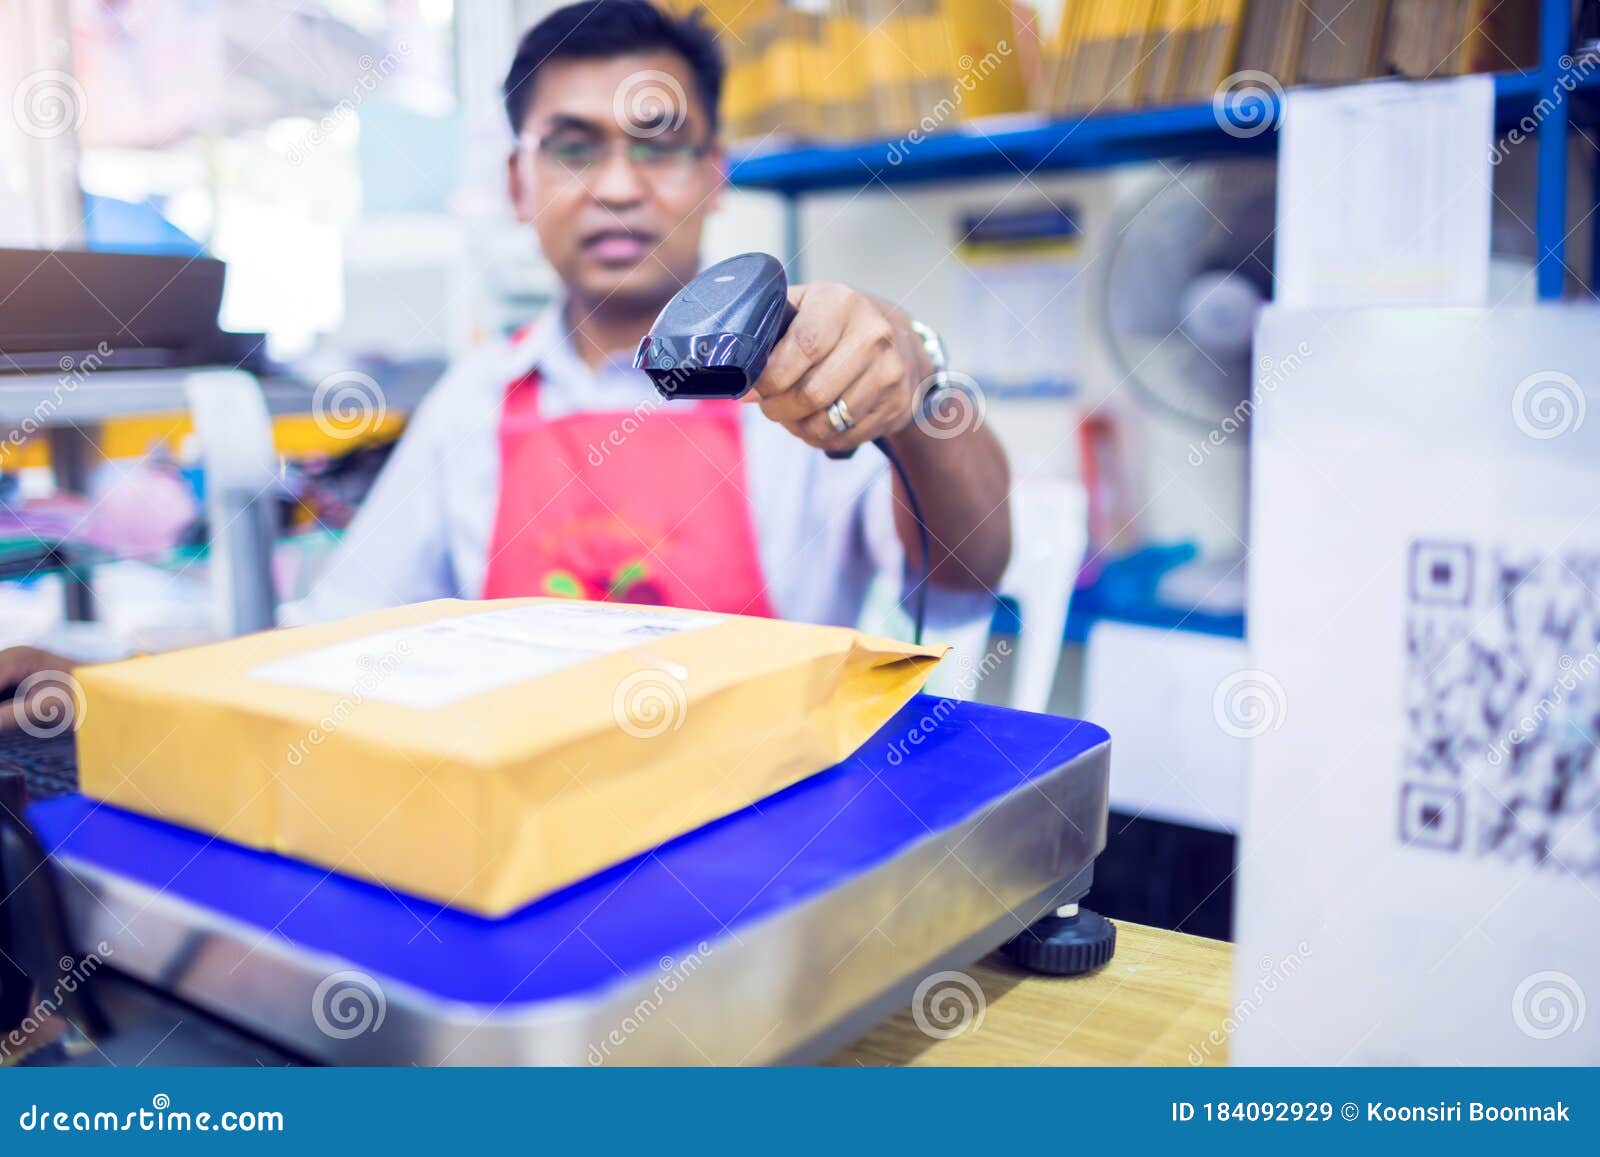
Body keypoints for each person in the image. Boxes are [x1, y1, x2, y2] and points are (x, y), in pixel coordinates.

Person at [0, 0, 1011, 727]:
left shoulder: (809, 363)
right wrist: (107, 670)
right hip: (514, 855)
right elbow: (334, 634)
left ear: (713, 176)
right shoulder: (474, 401)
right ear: (519, 183)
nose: (616, 184)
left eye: (656, 148)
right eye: (572, 148)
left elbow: (969, 564)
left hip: (762, 841)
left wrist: (918, 385)